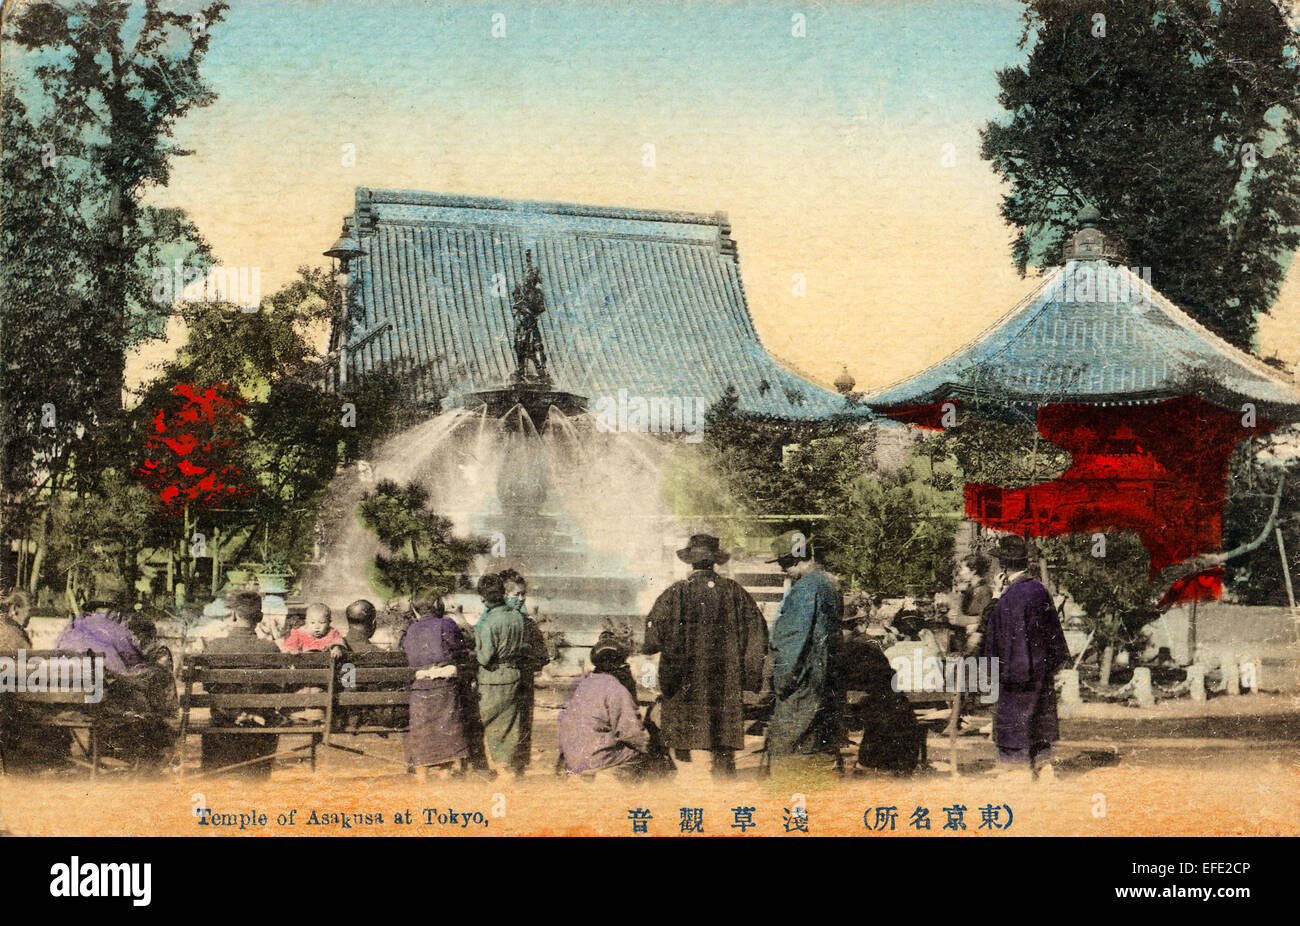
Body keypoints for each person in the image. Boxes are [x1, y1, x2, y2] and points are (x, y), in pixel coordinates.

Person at [643, 533, 768, 781]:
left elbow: (652, 640)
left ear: (690, 562)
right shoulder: (735, 592)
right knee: (721, 742)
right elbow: (759, 635)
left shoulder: (676, 593)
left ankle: (694, 789)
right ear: (714, 562)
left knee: (687, 744)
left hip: (684, 685)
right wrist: (750, 680)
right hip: (725, 685)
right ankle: (722, 789)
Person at [980, 535, 1069, 783]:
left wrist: (996, 596)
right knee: (1040, 717)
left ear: (1004, 568)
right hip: (1040, 669)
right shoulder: (1039, 590)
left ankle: (1016, 771)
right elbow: (1054, 633)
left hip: (1014, 671)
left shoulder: (1008, 599)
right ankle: (1044, 767)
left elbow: (991, 631)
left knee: (1013, 719)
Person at [763, 533, 845, 780]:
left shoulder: (804, 589)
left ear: (793, 560)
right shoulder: (829, 583)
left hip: (802, 687)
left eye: (783, 563)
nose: (782, 569)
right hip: (825, 682)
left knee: (787, 752)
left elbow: (792, 643)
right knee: (820, 751)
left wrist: (780, 684)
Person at [200, 591, 283, 778]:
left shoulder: (214, 647)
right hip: (260, 720)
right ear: (260, 617)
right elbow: (278, 687)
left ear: (235, 614)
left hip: (224, 719)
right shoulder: (270, 648)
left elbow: (208, 686)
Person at [557, 633, 654, 780]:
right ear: (618, 665)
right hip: (596, 758)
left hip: (572, 757)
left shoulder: (584, 683)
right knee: (643, 757)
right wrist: (647, 747)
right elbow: (630, 733)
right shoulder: (616, 689)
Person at [400, 595, 471, 779]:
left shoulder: (411, 628)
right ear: (438, 606)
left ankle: (422, 773)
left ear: (415, 610)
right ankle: (445, 770)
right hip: (444, 686)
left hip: (420, 687)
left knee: (423, 731)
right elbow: (461, 650)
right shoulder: (446, 624)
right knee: (446, 727)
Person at [473, 573, 529, 776]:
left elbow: (485, 657)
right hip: (513, 674)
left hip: (492, 679)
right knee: (509, 726)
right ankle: (508, 769)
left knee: (489, 725)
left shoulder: (488, 622)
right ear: (503, 593)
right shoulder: (517, 617)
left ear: (483, 597)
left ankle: (498, 771)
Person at [499, 569, 550, 774]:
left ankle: (518, 766)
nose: (521, 599)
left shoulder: (527, 623)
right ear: (503, 595)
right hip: (505, 680)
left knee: (523, 723)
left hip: (524, 680)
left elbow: (542, 655)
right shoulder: (498, 620)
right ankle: (506, 765)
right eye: (516, 595)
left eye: (523, 595)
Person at [281, 603, 345, 653]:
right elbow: (290, 644)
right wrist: (292, 649)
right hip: (305, 665)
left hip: (327, 665)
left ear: (329, 623)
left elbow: (338, 640)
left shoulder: (332, 632)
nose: (317, 627)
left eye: (322, 623)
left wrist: (336, 648)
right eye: (312, 623)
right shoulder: (300, 633)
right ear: (306, 622)